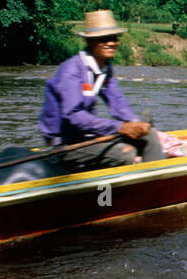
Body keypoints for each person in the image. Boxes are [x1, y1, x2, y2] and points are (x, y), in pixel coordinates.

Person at [39, 10, 165, 171]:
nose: (111, 43)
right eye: (104, 39)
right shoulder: (72, 71)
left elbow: (117, 102)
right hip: (65, 142)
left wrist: (135, 124)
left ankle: (155, 180)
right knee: (127, 153)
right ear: (91, 42)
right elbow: (74, 116)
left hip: (87, 134)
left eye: (114, 38)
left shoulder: (104, 67)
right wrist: (120, 127)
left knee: (150, 136)